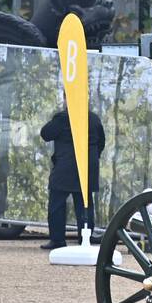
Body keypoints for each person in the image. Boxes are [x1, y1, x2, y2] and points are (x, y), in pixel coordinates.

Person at [40, 107, 105, 249]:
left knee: (56, 204)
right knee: (84, 204)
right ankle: (85, 237)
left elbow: (45, 134)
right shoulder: (93, 118)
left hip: (65, 167)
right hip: (87, 166)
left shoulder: (62, 118)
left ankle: (57, 240)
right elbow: (101, 142)